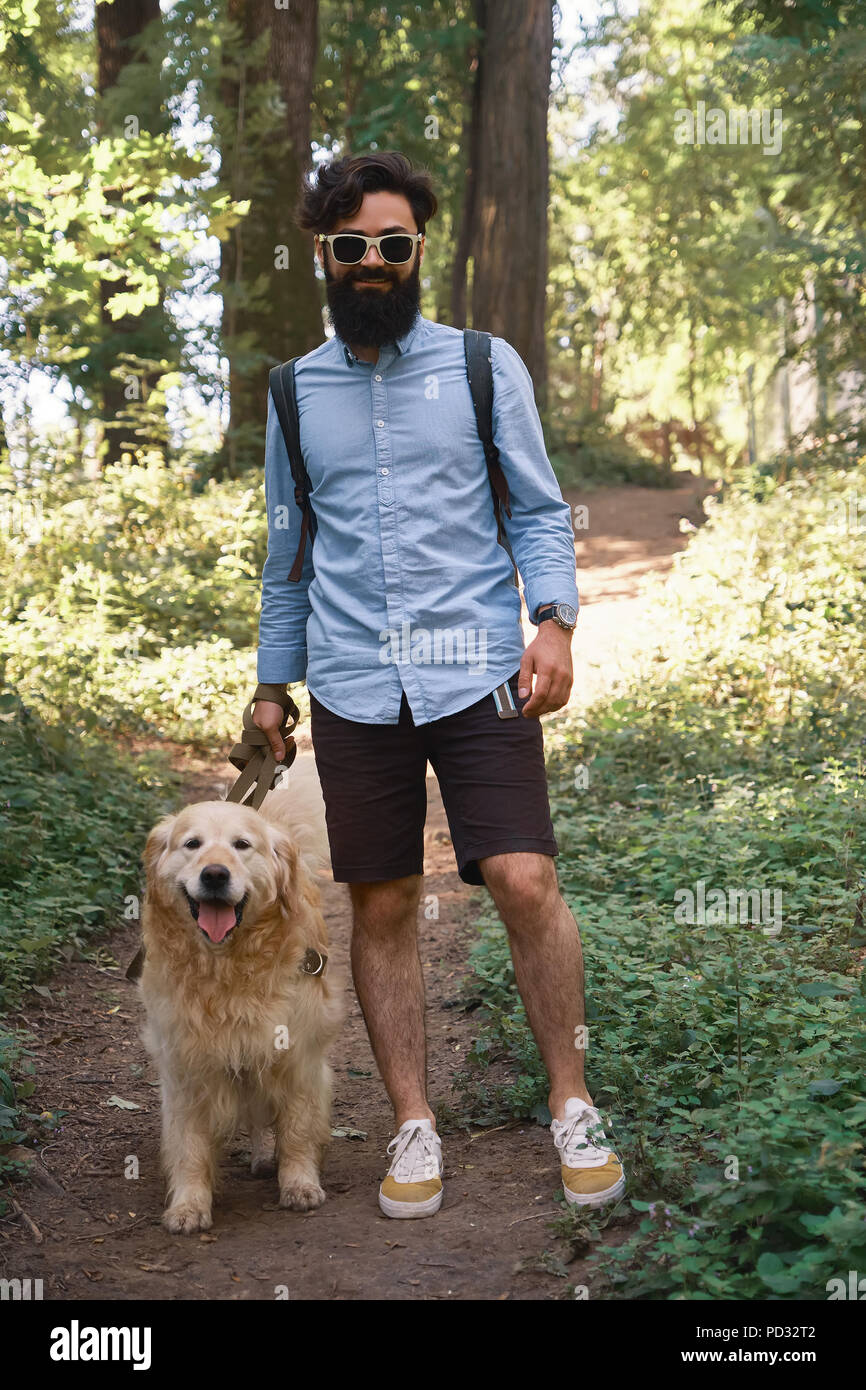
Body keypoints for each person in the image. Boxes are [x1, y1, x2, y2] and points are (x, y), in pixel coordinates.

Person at [252, 150, 625, 1219]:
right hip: (355, 680)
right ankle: (414, 1121)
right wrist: (273, 691)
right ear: (326, 253)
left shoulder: (478, 364)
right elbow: (287, 556)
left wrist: (551, 621)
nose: (375, 262)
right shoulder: (291, 392)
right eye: (354, 245)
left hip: (475, 670)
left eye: (395, 243)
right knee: (380, 902)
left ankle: (569, 1096)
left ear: (420, 249)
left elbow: (538, 510)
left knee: (521, 879)